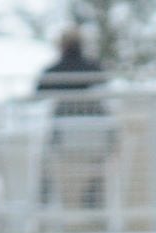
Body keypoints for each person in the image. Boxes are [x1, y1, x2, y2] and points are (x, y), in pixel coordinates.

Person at [36, 27, 112, 216]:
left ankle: (45, 196)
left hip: (62, 136)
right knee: (106, 154)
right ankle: (93, 193)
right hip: (97, 135)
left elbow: (37, 92)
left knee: (42, 154)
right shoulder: (94, 67)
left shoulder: (53, 71)